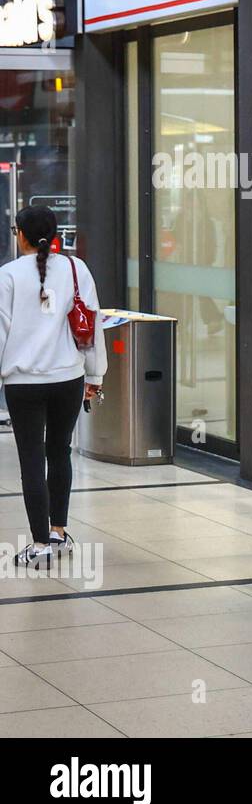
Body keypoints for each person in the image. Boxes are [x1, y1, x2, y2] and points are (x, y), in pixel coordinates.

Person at [0, 206, 106, 568]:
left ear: (22, 235)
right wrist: (95, 376)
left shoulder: (9, 275)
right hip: (68, 379)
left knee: (31, 458)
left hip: (23, 383)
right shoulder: (77, 268)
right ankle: (59, 532)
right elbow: (93, 325)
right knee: (59, 452)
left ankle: (40, 542)